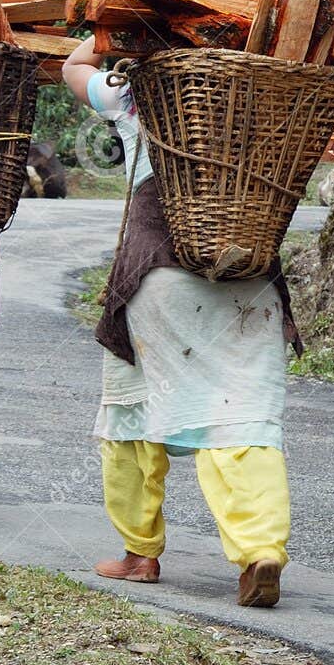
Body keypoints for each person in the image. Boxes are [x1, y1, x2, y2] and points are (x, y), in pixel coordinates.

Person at [62, 38, 297, 608]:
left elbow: (72, 67)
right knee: (242, 421)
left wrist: (108, 32)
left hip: (158, 275)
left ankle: (140, 554)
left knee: (132, 415)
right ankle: (258, 551)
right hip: (248, 276)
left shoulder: (133, 94)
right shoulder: (272, 99)